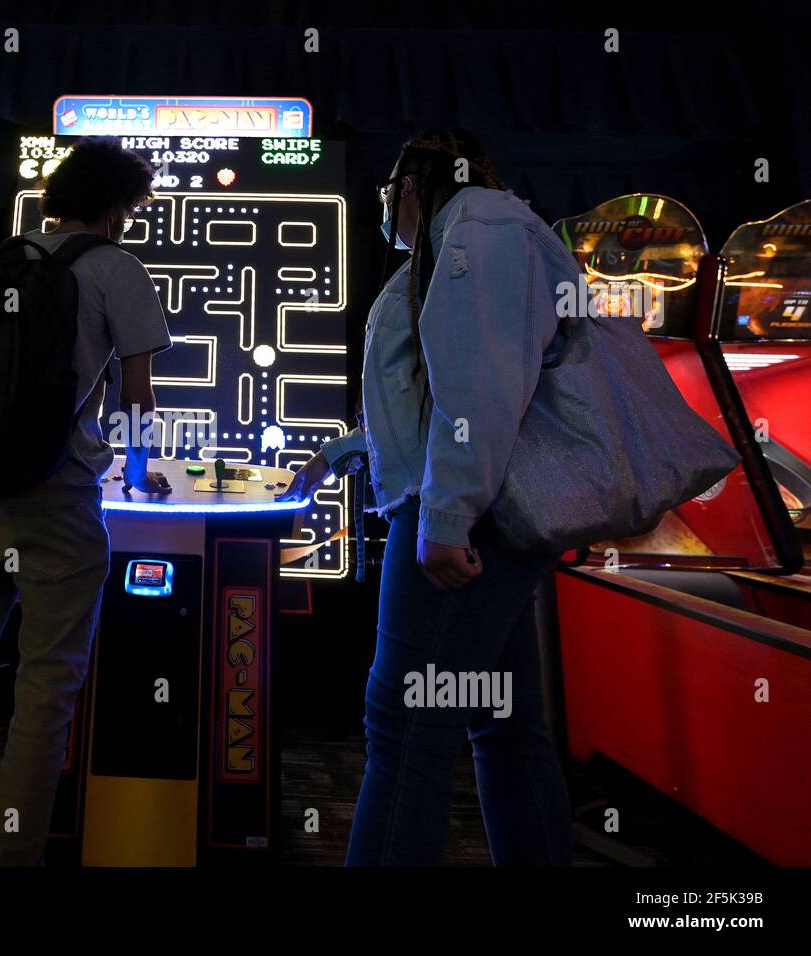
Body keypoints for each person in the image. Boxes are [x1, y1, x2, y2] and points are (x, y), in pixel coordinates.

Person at [281, 129, 575, 865]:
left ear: (414, 181)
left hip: (465, 520)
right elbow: (429, 399)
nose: (385, 205)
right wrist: (344, 452)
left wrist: (444, 519)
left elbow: (480, 390)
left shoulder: (479, 229)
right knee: (501, 725)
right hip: (480, 511)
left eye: (389, 189)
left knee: (406, 723)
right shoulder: (461, 237)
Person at [0, 138, 173, 866]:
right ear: (115, 207)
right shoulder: (119, 270)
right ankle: (9, 858)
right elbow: (136, 397)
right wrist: (141, 473)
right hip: (58, 504)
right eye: (133, 208)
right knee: (45, 691)